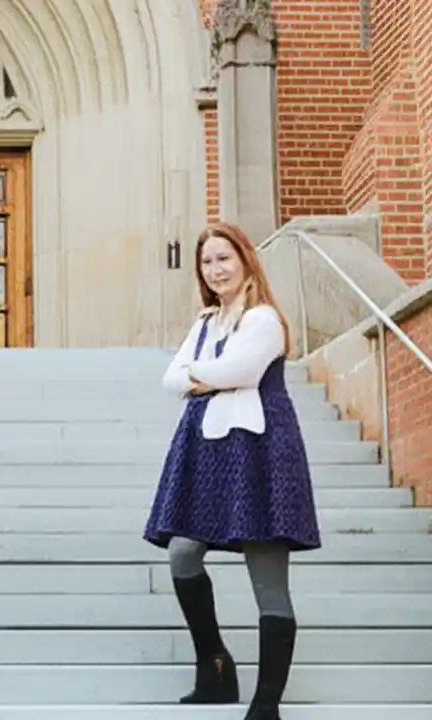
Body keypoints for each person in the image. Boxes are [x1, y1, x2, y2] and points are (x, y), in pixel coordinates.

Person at [143, 222, 320, 720]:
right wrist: (206, 377)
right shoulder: (204, 324)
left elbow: (241, 372)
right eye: (207, 261)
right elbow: (170, 378)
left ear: (244, 260)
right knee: (183, 552)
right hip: (205, 448)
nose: (215, 269)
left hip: (259, 449)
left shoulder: (264, 319)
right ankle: (215, 667)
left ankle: (266, 705)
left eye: (224, 258)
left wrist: (199, 377)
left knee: (267, 576)